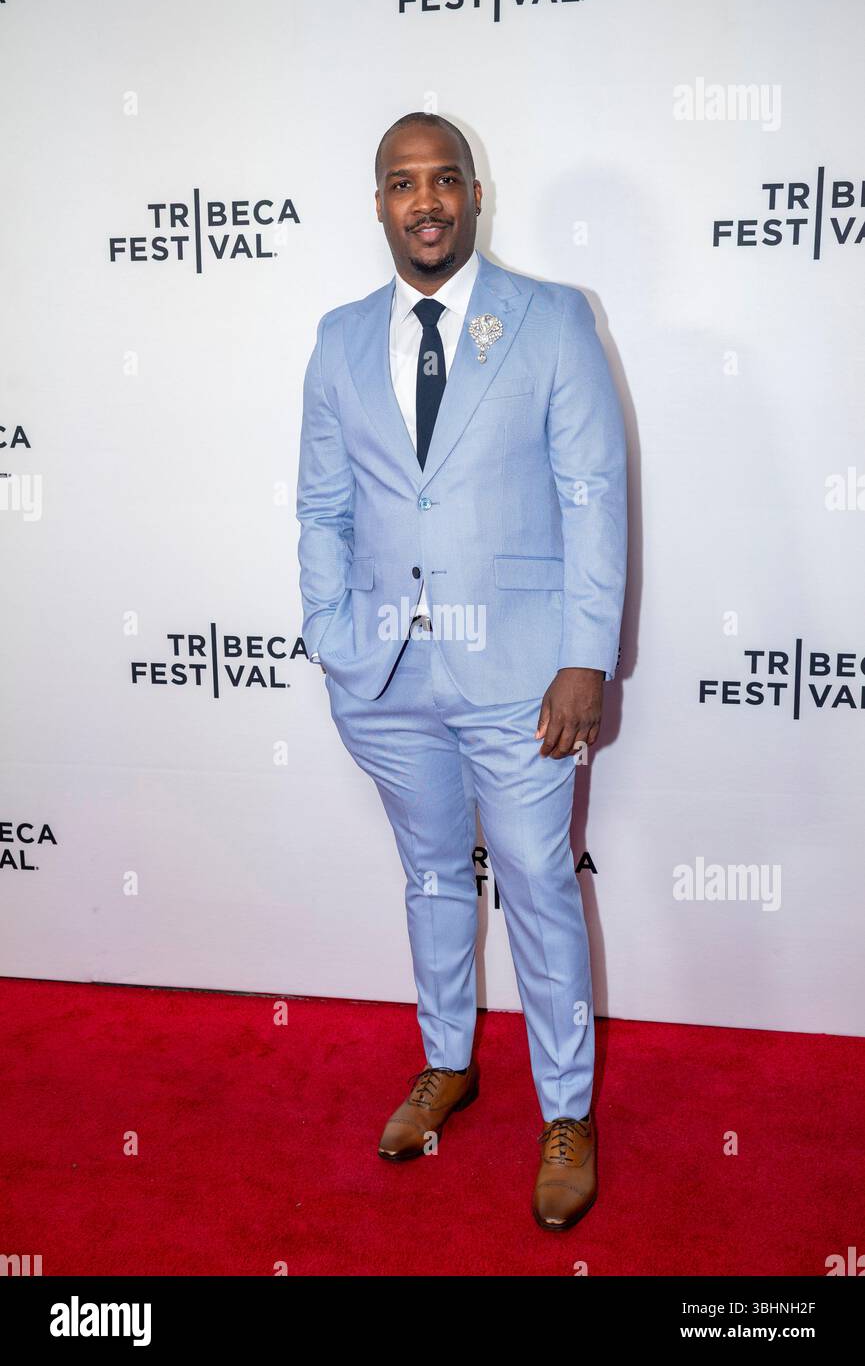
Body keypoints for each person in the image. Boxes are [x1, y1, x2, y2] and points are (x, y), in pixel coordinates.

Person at [296, 111, 627, 1230]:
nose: (425, 201)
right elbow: (323, 506)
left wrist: (586, 656)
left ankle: (567, 1113)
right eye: (402, 183)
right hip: (386, 676)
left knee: (536, 883)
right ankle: (448, 1062)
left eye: (444, 180)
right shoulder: (340, 338)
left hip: (522, 675)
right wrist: (331, 635)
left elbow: (591, 496)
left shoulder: (549, 319)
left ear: (475, 195)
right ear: (379, 202)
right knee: (433, 875)